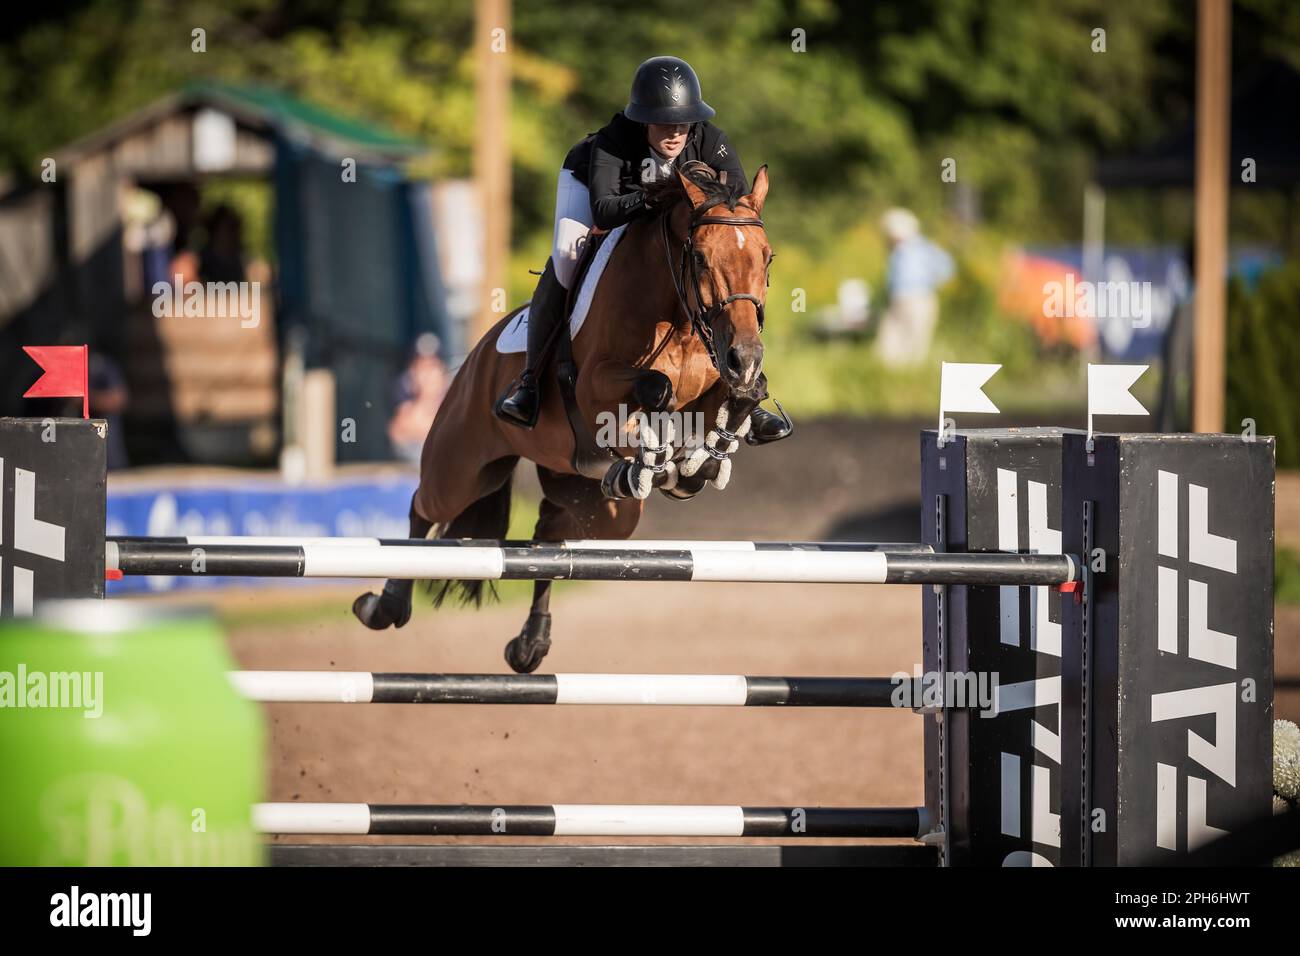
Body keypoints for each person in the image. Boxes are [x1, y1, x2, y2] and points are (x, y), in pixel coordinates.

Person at [494, 55, 790, 443]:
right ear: (643, 120)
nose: (674, 133)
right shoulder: (613, 141)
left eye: (682, 123)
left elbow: (733, 207)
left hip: (666, 212)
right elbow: (604, 209)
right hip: (596, 193)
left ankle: (744, 390)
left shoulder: (711, 141)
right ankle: (530, 382)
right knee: (567, 258)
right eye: (664, 123)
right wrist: (656, 198)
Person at [875, 208, 954, 367]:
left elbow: (946, 268)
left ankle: (910, 380)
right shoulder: (898, 251)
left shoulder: (922, 248)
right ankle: (891, 377)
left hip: (919, 299)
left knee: (915, 345)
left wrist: (931, 284)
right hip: (899, 301)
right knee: (890, 344)